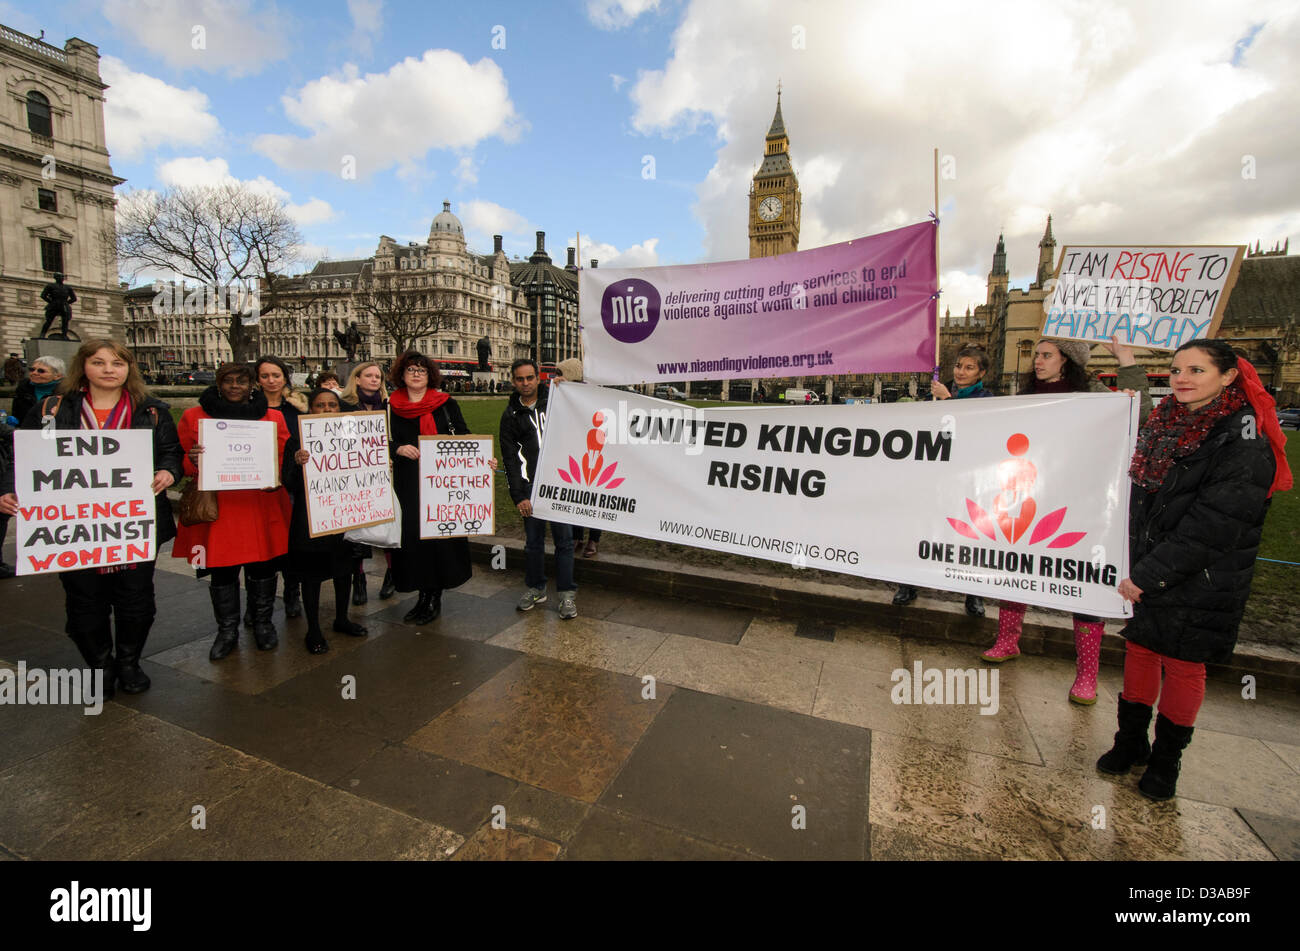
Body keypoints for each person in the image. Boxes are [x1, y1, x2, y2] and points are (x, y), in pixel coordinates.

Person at [1098, 339, 1291, 799]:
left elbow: (1215, 525)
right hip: (1155, 562)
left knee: (1184, 664)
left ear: (1228, 377)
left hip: (1202, 576)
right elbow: (1137, 413)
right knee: (1141, 652)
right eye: (1177, 368)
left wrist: (1147, 575)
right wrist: (1126, 362)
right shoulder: (1169, 421)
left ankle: (1166, 762)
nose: (1182, 378)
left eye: (1196, 370)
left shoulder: (1243, 441)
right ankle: (1130, 743)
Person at [0, 340, 183, 695]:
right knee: (84, 602)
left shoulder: (151, 410)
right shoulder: (52, 409)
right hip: (74, 528)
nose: (109, 369)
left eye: (117, 363)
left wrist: (168, 473)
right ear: (83, 367)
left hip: (132, 524)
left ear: (129, 368)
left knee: (137, 601)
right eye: (99, 362)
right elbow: (21, 453)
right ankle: (100, 663)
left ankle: (129, 661)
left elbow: (170, 453)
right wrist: (9, 488)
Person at [980, 336, 1152, 706]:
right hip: (1030, 497)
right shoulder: (1026, 395)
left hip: (1081, 502)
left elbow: (1141, 412)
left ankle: (1087, 674)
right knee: (1016, 570)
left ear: (1067, 360)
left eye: (1046, 355)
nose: (1037, 362)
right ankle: (1008, 640)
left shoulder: (1093, 394)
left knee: (1087, 581)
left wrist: (1127, 361)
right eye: (1036, 355)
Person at [174, 363, 292, 660]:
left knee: (263, 567)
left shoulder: (273, 416)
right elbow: (182, 465)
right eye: (228, 380)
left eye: (242, 380)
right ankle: (227, 630)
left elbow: (283, 458)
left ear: (252, 384)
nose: (235, 386)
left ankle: (263, 623)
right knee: (222, 570)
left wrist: (276, 473)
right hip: (219, 508)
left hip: (259, 503)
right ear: (218, 383)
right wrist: (192, 460)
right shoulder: (194, 416)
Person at [894, 343, 997, 615]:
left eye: (969, 367)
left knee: (972, 535)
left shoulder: (987, 398)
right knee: (921, 529)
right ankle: (909, 583)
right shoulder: (935, 394)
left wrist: (949, 401)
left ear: (981, 373)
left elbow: (974, 427)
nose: (961, 372)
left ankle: (974, 595)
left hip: (969, 478)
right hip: (936, 476)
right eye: (958, 366)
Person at [387, 350, 474, 624]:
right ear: (401, 375)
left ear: (430, 376)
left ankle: (435, 596)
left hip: (442, 483)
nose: (416, 374)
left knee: (439, 541)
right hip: (409, 483)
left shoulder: (446, 404)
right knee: (413, 540)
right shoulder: (390, 406)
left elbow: (463, 434)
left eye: (421, 370)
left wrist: (481, 455)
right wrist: (398, 448)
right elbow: (379, 441)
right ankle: (422, 595)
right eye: (411, 369)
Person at [285, 388, 369, 653]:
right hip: (310, 518)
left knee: (344, 571)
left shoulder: (353, 436)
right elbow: (288, 482)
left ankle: (342, 618)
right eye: (320, 405)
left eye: (332, 405)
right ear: (311, 409)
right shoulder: (296, 438)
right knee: (311, 576)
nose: (327, 410)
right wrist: (298, 464)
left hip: (343, 515)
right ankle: (313, 629)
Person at [501, 357, 577, 618]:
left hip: (560, 483)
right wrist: (518, 495)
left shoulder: (557, 399)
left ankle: (566, 594)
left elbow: (587, 409)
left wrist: (572, 388)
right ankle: (536, 587)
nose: (525, 383)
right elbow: (510, 459)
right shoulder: (510, 415)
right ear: (513, 381)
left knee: (564, 541)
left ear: (538, 378)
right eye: (520, 379)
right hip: (530, 487)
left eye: (530, 378)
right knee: (533, 543)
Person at [255, 356, 308, 621]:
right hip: (258, 483)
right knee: (259, 543)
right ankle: (259, 601)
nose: (271, 381)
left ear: (285, 378)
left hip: (290, 482)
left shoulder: (296, 408)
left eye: (276, 375)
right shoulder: (250, 408)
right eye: (265, 376)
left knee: (291, 540)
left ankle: (291, 593)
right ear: (258, 380)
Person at [338, 361, 395, 600]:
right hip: (355, 474)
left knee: (390, 526)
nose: (374, 380)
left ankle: (392, 574)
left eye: (378, 377)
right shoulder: (345, 405)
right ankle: (358, 577)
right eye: (369, 375)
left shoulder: (388, 406)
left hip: (385, 472)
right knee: (357, 526)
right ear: (357, 379)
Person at [554, 358, 604, 559]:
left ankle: (594, 538)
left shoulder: (592, 393)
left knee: (594, 498)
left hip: (593, 449)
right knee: (574, 494)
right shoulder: (562, 392)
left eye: (560, 373)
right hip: (572, 450)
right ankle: (577, 535)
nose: (557, 376)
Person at [11, 356, 66, 424]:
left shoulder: (67, 392)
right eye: (32, 369)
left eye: (41, 371)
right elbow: (16, 412)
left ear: (57, 376)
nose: (34, 373)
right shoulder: (23, 388)